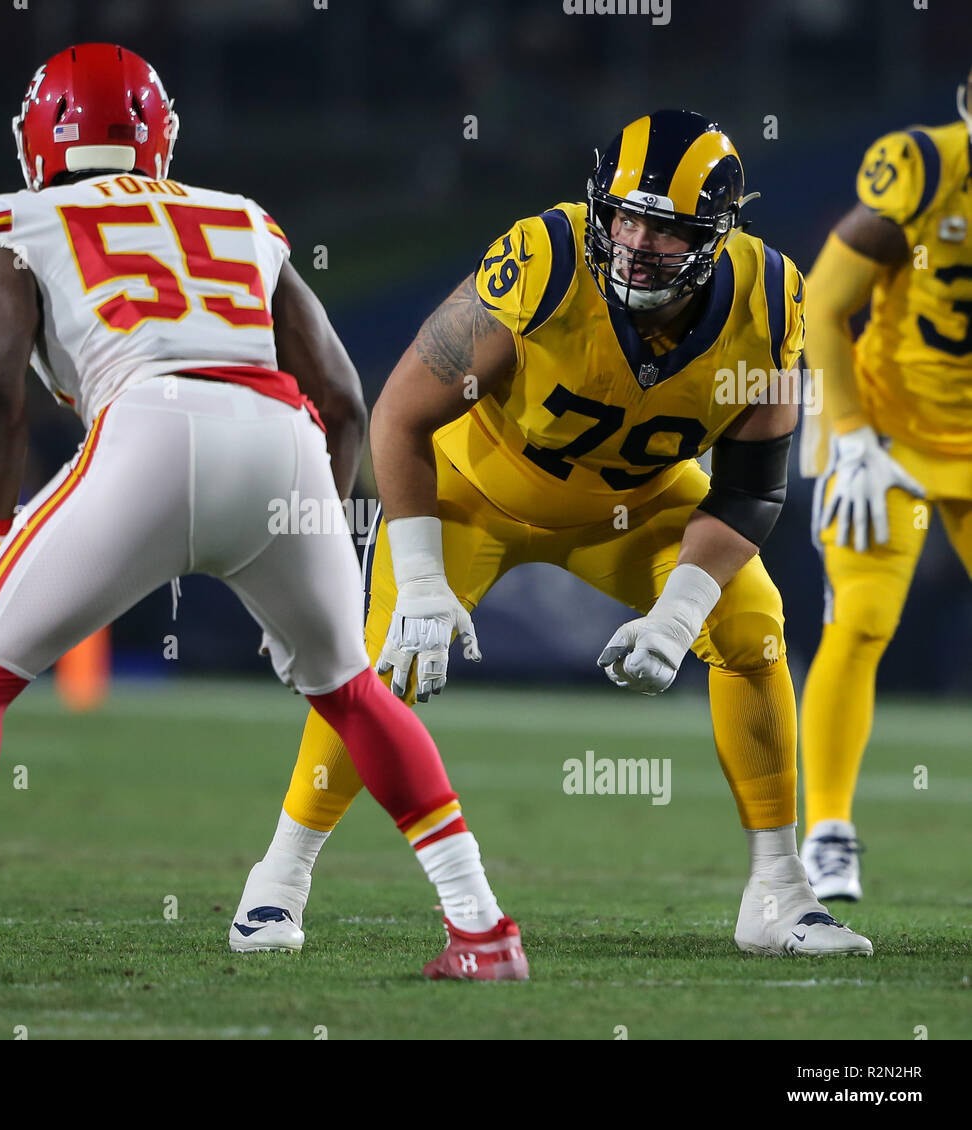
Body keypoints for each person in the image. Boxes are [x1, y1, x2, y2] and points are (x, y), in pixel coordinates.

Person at [0, 43, 526, 983]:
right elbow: (347, 397)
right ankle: (482, 931)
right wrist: (316, 531)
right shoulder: (239, 218)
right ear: (160, 135)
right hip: (282, 433)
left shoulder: (18, 220)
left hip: (146, 427)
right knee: (351, 691)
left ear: (38, 139)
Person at [231, 109, 873, 958]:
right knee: (389, 652)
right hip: (479, 488)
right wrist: (422, 579)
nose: (637, 242)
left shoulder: (769, 300)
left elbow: (753, 491)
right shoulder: (548, 262)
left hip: (638, 503)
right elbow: (400, 414)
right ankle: (277, 882)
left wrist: (677, 617)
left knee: (752, 626)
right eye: (625, 215)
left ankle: (780, 894)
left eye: (667, 229)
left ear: (718, 236)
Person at [798, 65, 972, 902]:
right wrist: (851, 436)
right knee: (864, 616)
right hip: (888, 432)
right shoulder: (926, 170)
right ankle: (827, 830)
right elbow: (825, 304)